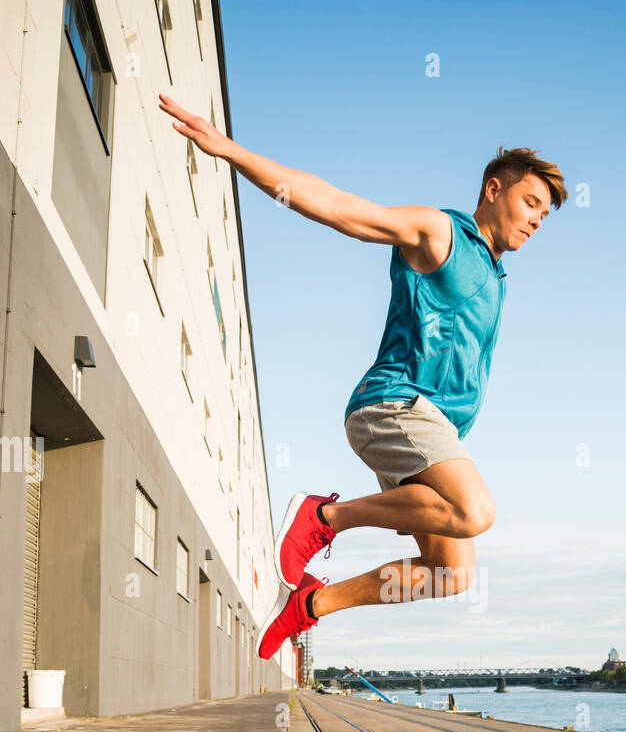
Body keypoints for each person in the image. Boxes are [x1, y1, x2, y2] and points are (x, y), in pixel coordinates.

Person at [157, 96, 566, 660]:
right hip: (392, 407)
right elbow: (337, 204)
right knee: (476, 512)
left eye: (545, 213)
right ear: (494, 190)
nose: (538, 218)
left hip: (430, 434)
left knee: (453, 574)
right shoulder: (439, 233)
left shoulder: (497, 276)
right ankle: (325, 517)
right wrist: (229, 151)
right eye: (532, 202)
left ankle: (309, 607)